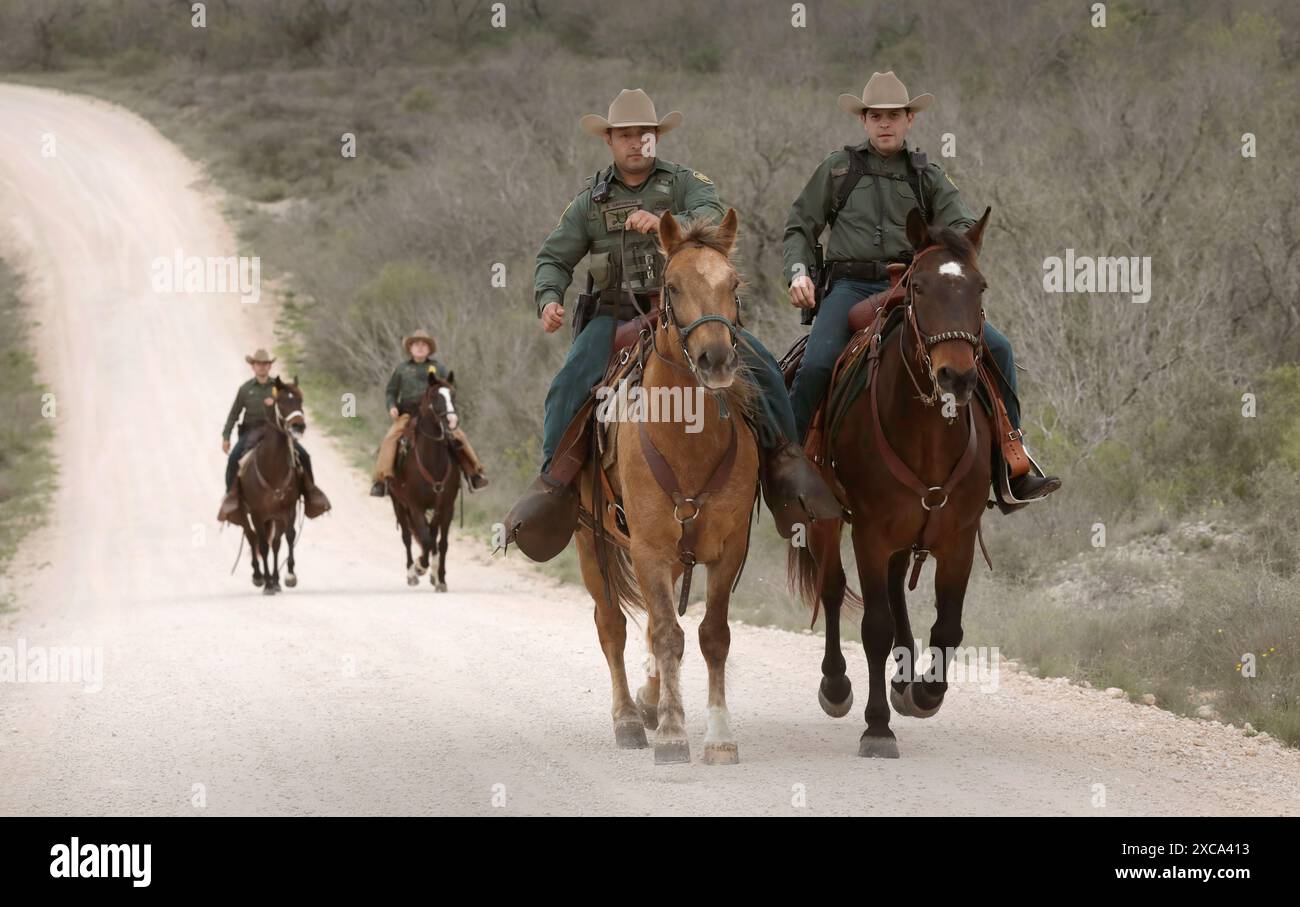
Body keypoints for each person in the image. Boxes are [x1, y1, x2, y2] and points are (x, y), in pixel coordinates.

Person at [506, 88, 840, 552]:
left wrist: (667, 219)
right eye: (625, 134)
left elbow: (713, 212)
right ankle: (553, 482)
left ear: (656, 137)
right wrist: (547, 298)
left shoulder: (685, 182)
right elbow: (553, 256)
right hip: (616, 309)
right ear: (610, 141)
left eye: (644, 133)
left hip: (688, 308)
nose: (636, 142)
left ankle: (786, 462)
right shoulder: (590, 201)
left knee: (762, 365)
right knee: (570, 380)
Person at [783, 71, 1060, 501]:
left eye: (894, 115)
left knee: (999, 348)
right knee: (817, 362)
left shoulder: (927, 175)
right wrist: (799, 272)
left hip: (915, 284)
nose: (885, 123)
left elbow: (964, 224)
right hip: (850, 285)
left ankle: (1012, 461)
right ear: (864, 121)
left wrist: (955, 248)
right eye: (876, 116)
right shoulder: (837, 169)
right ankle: (792, 465)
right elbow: (800, 224)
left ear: (910, 119)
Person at [369, 329, 489, 496]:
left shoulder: (438, 368)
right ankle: (381, 481)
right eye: (416, 344)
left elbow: (450, 388)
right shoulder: (402, 369)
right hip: (408, 413)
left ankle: (474, 474)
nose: (420, 347)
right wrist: (392, 406)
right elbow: (391, 391)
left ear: (429, 349)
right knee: (390, 438)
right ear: (410, 348)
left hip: (435, 414)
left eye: (424, 345)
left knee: (458, 435)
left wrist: (449, 411)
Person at [218, 348, 330, 522]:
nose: (262, 367)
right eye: (258, 364)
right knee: (234, 458)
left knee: (304, 455)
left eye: (265, 364)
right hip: (251, 430)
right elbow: (234, 414)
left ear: (270, 366)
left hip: (276, 431)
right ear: (253, 367)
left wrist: (277, 402)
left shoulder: (277, 388)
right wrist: (226, 436)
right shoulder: (245, 389)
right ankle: (231, 498)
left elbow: (289, 405)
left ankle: (310, 494)